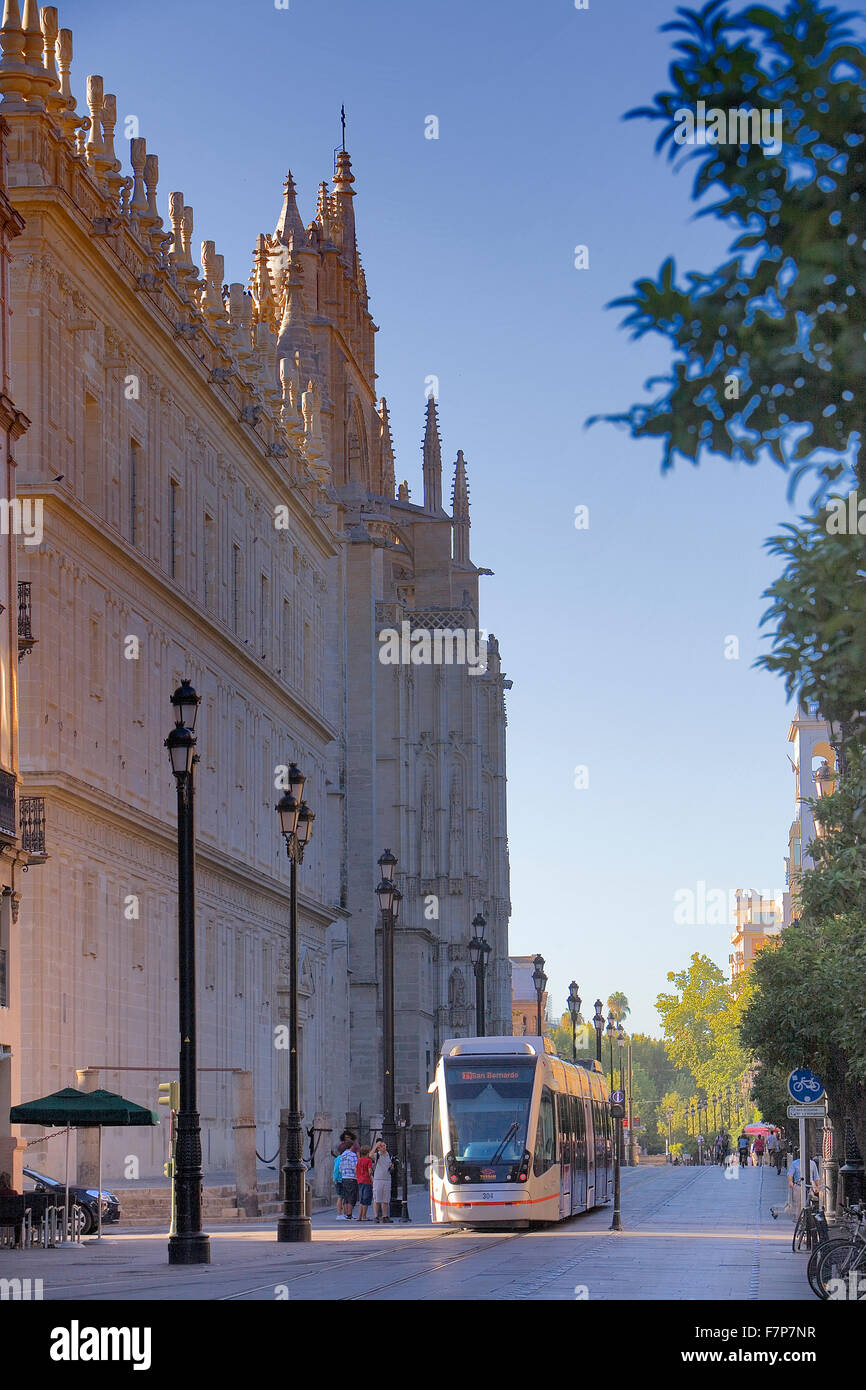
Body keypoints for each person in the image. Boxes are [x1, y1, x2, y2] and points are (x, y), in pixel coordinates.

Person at [372, 1138, 393, 1223]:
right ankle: (376, 1216)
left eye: (384, 1145)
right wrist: (375, 1146)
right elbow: (370, 1155)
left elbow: (392, 1167)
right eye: (382, 1146)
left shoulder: (389, 1155)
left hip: (387, 1179)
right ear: (378, 1148)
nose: (384, 1147)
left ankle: (385, 1216)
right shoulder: (377, 1155)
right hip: (378, 1179)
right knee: (377, 1199)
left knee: (386, 1199)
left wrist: (392, 1166)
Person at [339, 1141, 359, 1220]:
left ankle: (346, 1213)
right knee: (351, 1196)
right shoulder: (352, 1155)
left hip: (344, 1177)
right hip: (351, 1178)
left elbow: (340, 1168)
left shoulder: (342, 1155)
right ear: (351, 1146)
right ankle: (349, 1214)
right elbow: (355, 1166)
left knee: (346, 1196)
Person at [356, 1145, 374, 1222]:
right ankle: (364, 1216)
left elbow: (355, 1170)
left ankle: (359, 1216)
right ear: (368, 1152)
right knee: (366, 1199)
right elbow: (369, 1171)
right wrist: (372, 1180)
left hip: (360, 1180)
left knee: (362, 1199)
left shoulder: (359, 1160)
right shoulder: (368, 1160)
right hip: (367, 1180)